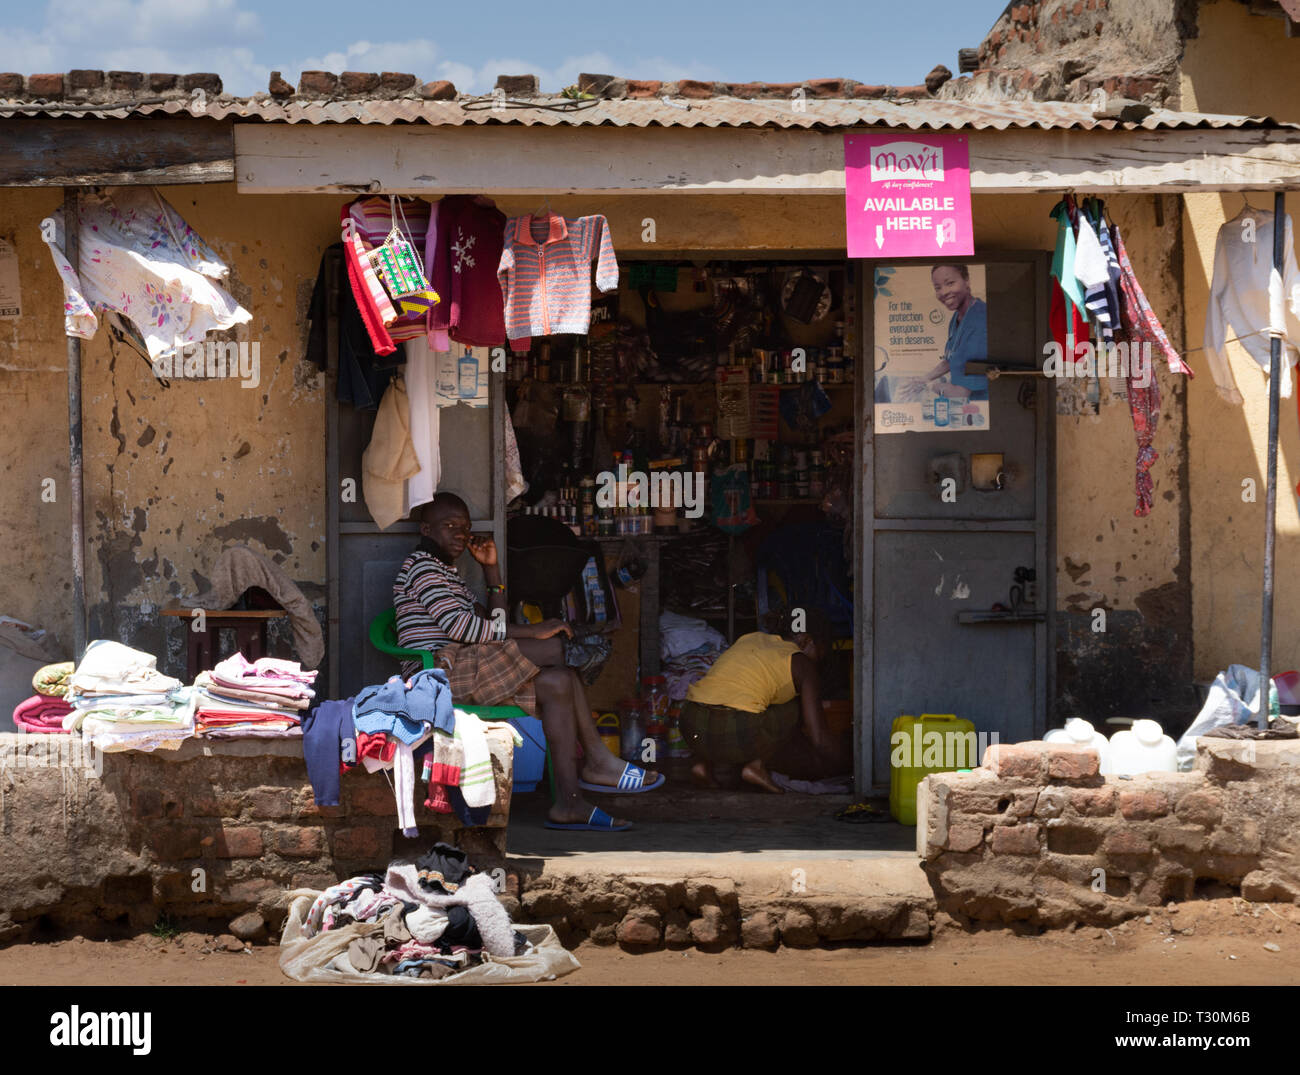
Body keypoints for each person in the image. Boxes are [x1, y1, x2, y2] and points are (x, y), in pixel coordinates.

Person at [393, 492, 662, 831]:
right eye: (450, 526)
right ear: (426, 529)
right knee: (557, 649)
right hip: (437, 675)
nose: (461, 535)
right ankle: (597, 760)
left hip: (468, 664)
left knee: (560, 682)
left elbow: (493, 622)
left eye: (465, 527)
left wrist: (492, 571)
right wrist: (534, 631)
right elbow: (466, 629)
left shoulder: (447, 574)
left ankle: (570, 802)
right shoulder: (422, 568)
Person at [679, 609, 849, 793]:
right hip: (735, 729)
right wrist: (847, 764)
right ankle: (756, 766)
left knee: (734, 697)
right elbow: (820, 739)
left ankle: (702, 766)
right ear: (806, 640)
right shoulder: (802, 664)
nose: (819, 660)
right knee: (791, 705)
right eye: (821, 651)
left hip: (690, 724)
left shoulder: (751, 639)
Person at [922, 263, 989, 401]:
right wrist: (922, 379)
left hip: (978, 406)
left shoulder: (981, 320)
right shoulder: (958, 317)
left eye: (950, 283)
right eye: (938, 288)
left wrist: (930, 386)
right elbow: (951, 359)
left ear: (967, 280)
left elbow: (961, 393)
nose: (944, 292)